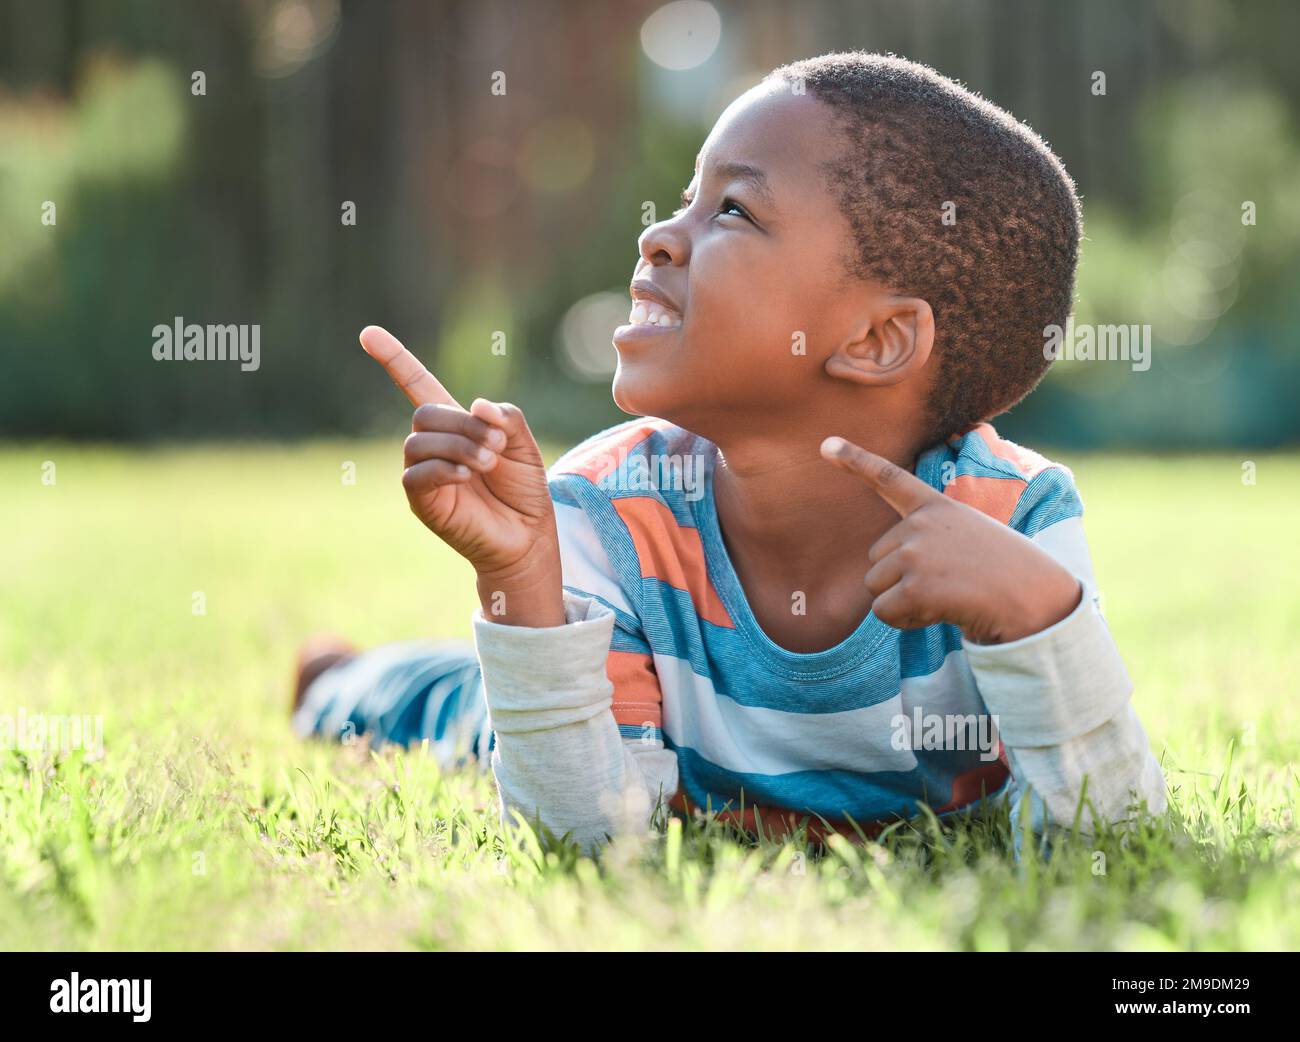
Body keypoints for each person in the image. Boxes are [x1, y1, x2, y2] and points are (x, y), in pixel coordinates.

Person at [293, 51, 1168, 856]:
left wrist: (1041, 618)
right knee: (450, 707)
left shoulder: (1016, 521)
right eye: (685, 198)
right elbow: (592, 840)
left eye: (733, 211)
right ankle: (343, 676)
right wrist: (524, 581)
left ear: (877, 339)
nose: (661, 236)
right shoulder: (607, 512)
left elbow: (1108, 835)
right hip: (567, 710)